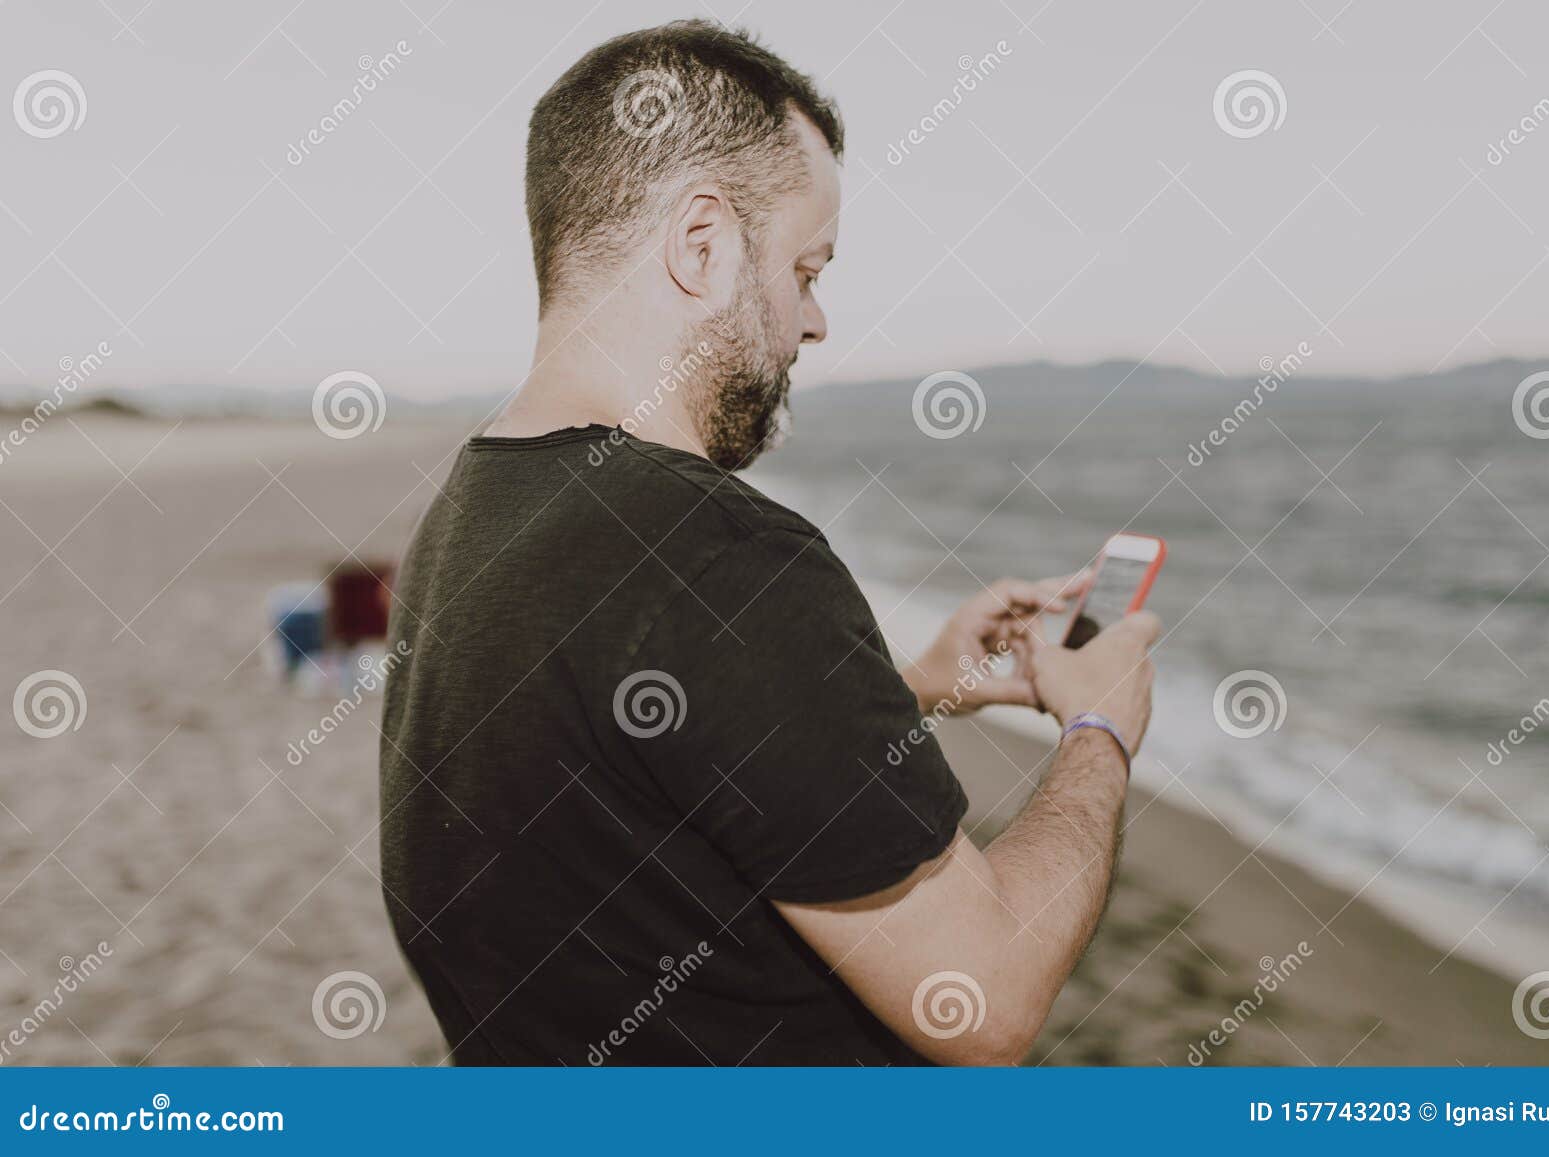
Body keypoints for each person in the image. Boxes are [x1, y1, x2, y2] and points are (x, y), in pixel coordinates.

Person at [378, 19, 1159, 1067]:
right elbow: (983, 998)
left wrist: (915, 685)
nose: (814, 321)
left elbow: (638, 765)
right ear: (701, 246)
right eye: (806, 266)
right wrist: (1096, 730)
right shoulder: (721, 554)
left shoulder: (477, 508)